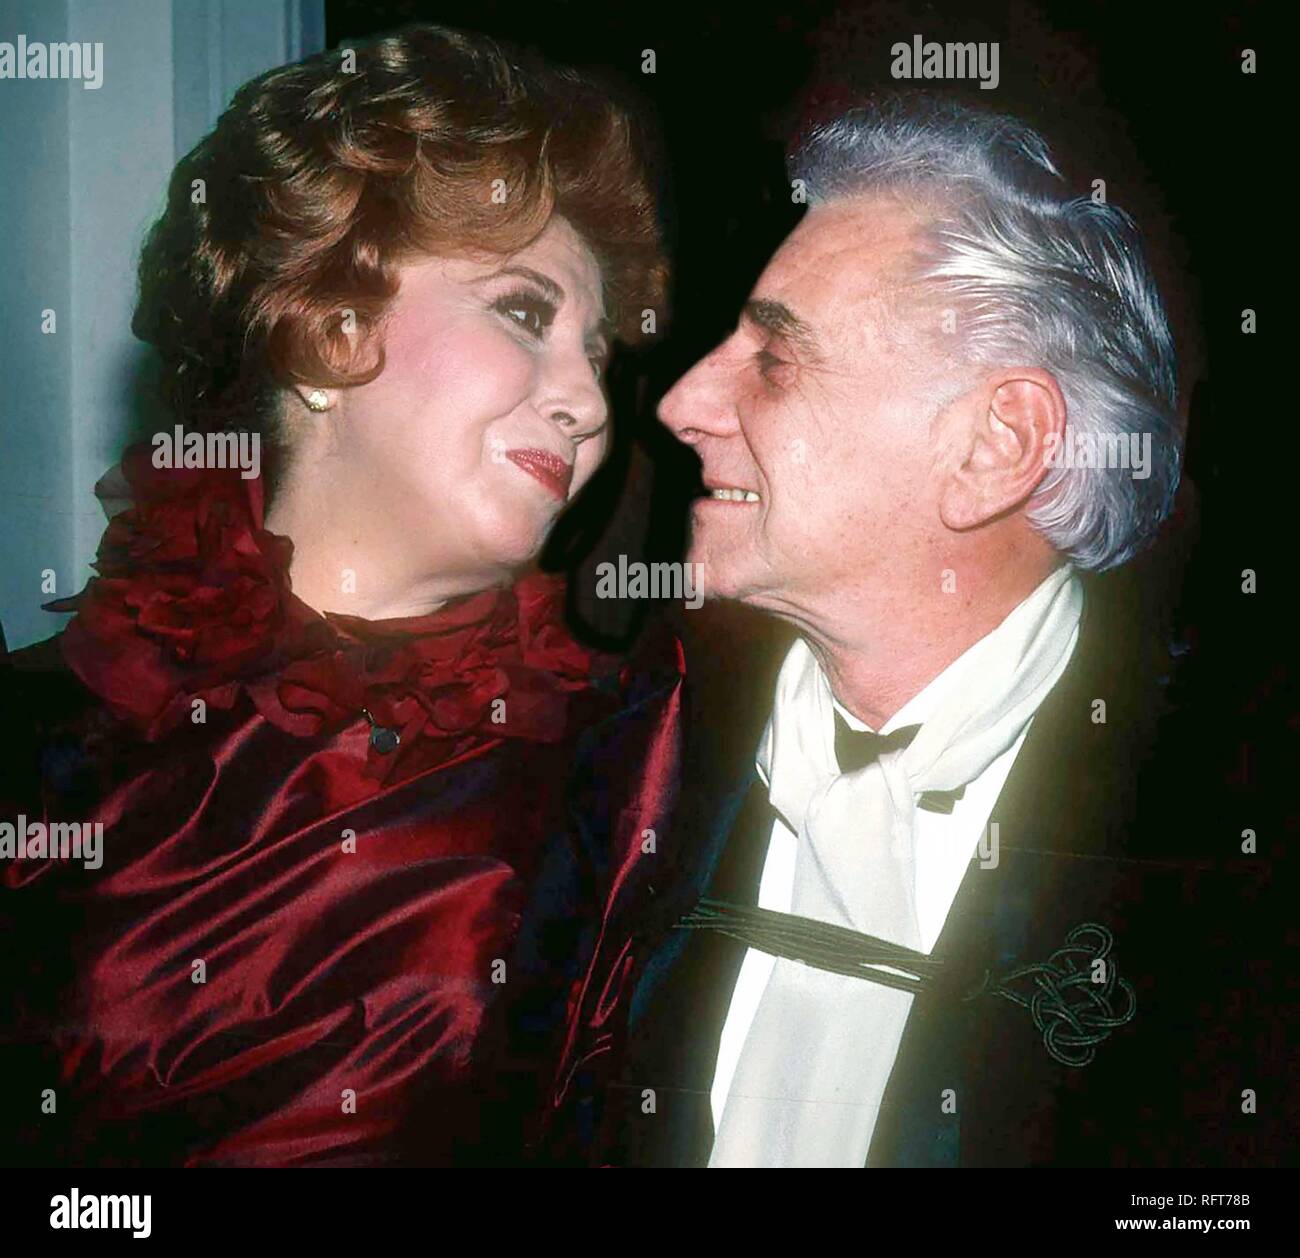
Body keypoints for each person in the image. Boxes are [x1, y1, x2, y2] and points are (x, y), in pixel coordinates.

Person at [0, 24, 682, 1168]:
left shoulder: (626, 756)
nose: (587, 401)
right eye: (523, 312)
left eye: (599, 351)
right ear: (331, 330)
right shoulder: (46, 727)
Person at [596, 92, 1281, 1168]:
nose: (682, 402)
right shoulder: (625, 765)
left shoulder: (1230, 862)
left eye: (774, 359)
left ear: (994, 448)